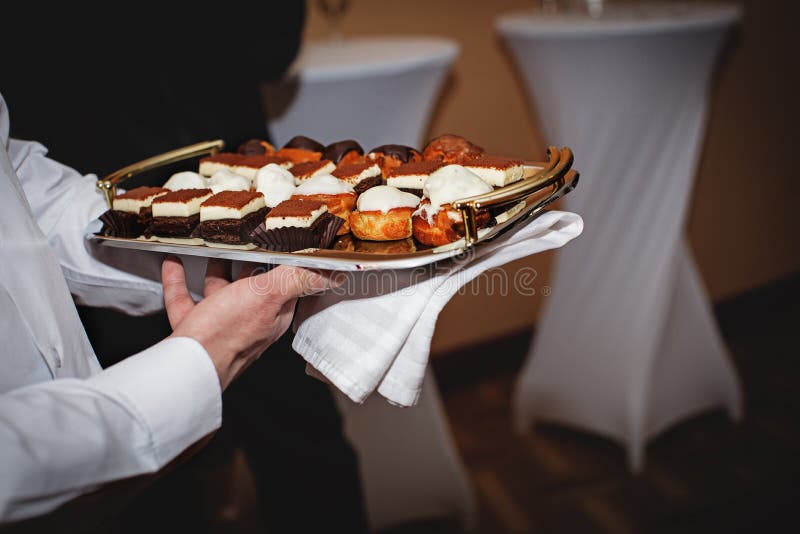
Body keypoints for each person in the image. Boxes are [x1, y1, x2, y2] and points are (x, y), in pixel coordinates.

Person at [1, 6, 370, 532]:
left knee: (302, 447)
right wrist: (200, 363)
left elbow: (20, 185)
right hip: (95, 304)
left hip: (246, 225)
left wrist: (189, 231)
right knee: (160, 501)